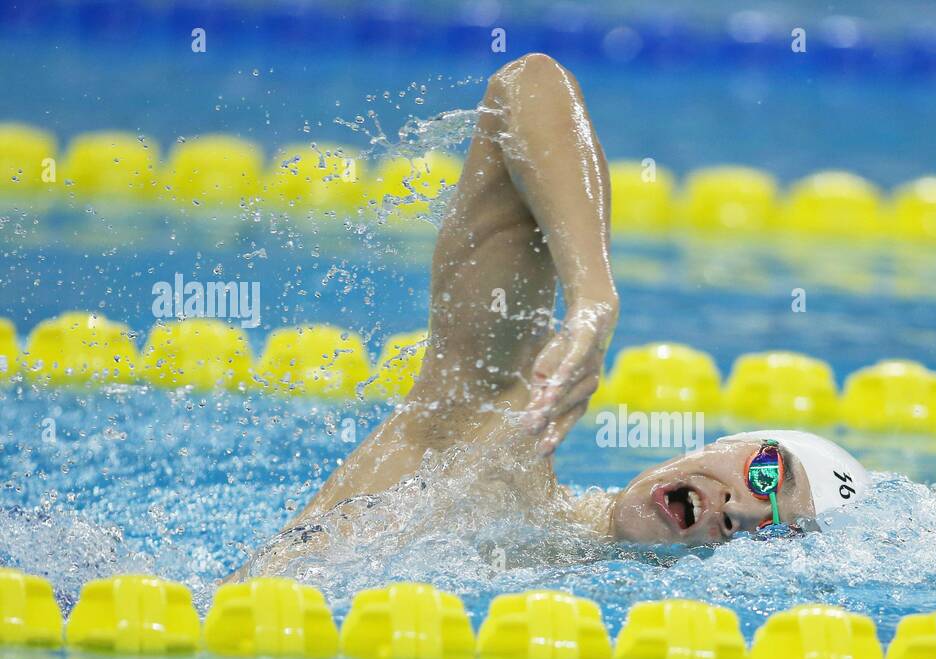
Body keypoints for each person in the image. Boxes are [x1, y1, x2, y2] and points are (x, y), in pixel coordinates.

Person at [235, 53, 862, 579]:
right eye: (766, 473)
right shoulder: (498, 441)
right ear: (725, 443)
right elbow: (526, 86)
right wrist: (593, 300)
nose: (741, 512)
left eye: (773, 535)